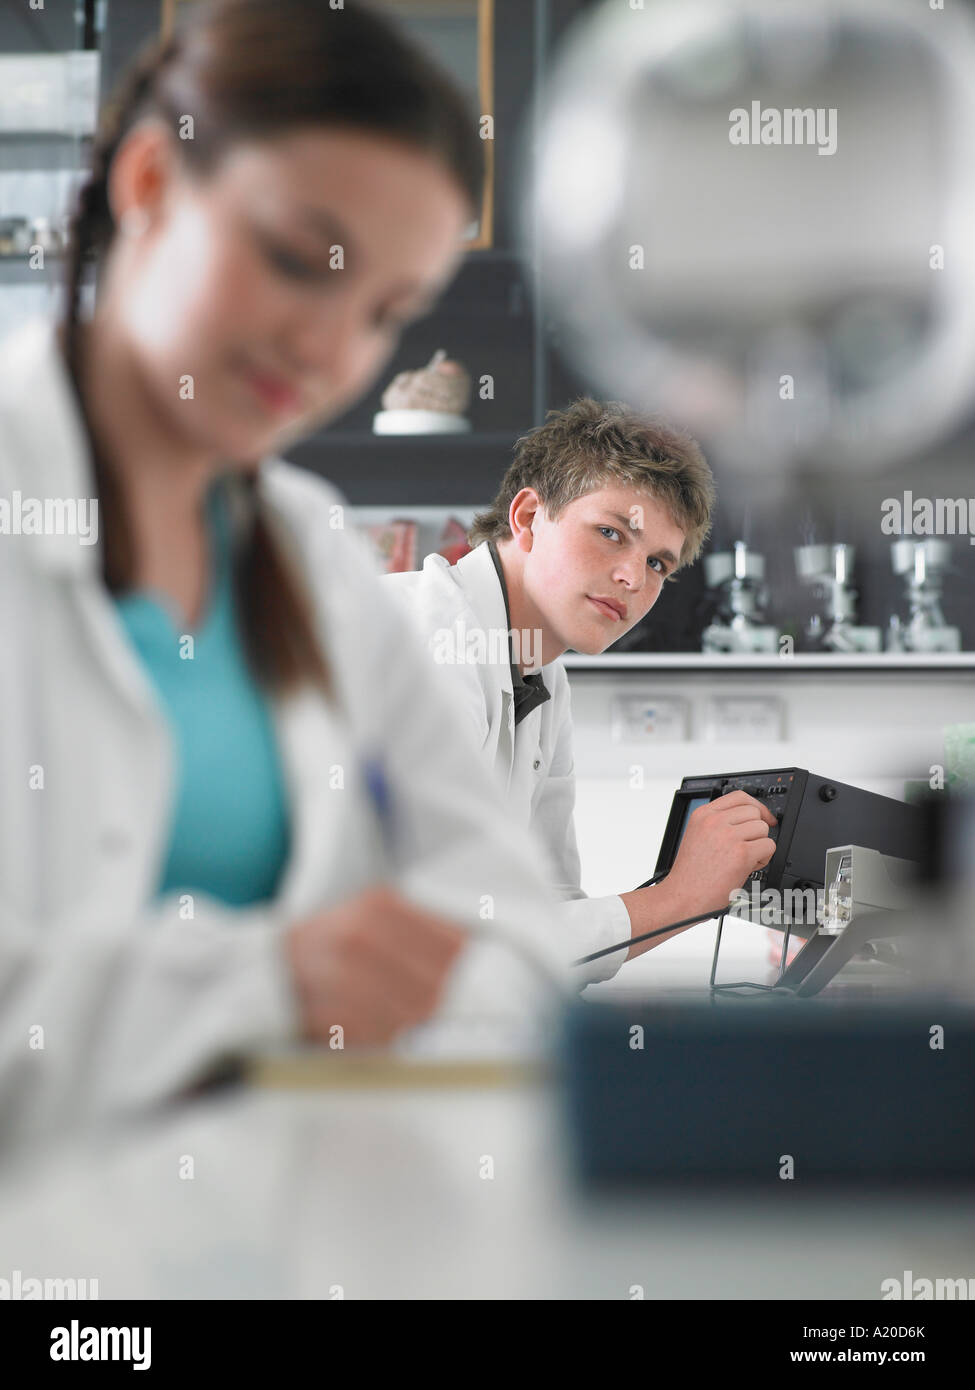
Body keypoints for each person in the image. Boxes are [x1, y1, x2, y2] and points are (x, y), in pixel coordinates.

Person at [0, 0, 566, 1148]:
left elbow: (511, 921)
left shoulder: (310, 553)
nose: (330, 352)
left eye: (384, 314)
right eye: (298, 260)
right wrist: (263, 986)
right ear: (151, 182)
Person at [383, 399, 777, 982]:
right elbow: (432, 935)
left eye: (658, 565)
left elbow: (552, 907)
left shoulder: (542, 677)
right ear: (527, 517)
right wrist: (680, 897)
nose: (633, 579)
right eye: (611, 533)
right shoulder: (429, 635)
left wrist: (685, 894)